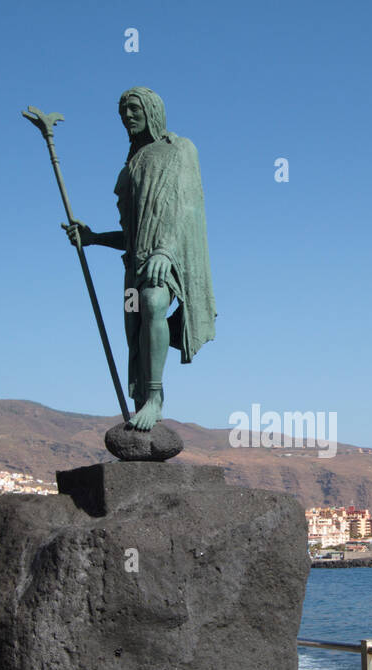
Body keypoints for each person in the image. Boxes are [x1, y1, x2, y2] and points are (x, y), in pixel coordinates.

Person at [64, 86, 216, 431]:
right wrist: (92, 239)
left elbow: (187, 209)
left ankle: (155, 398)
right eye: (122, 113)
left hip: (168, 258)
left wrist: (165, 251)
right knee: (134, 331)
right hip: (134, 266)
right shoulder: (130, 166)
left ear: (151, 109)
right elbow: (131, 235)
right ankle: (140, 401)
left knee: (152, 301)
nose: (127, 117)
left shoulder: (180, 150)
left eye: (133, 109)